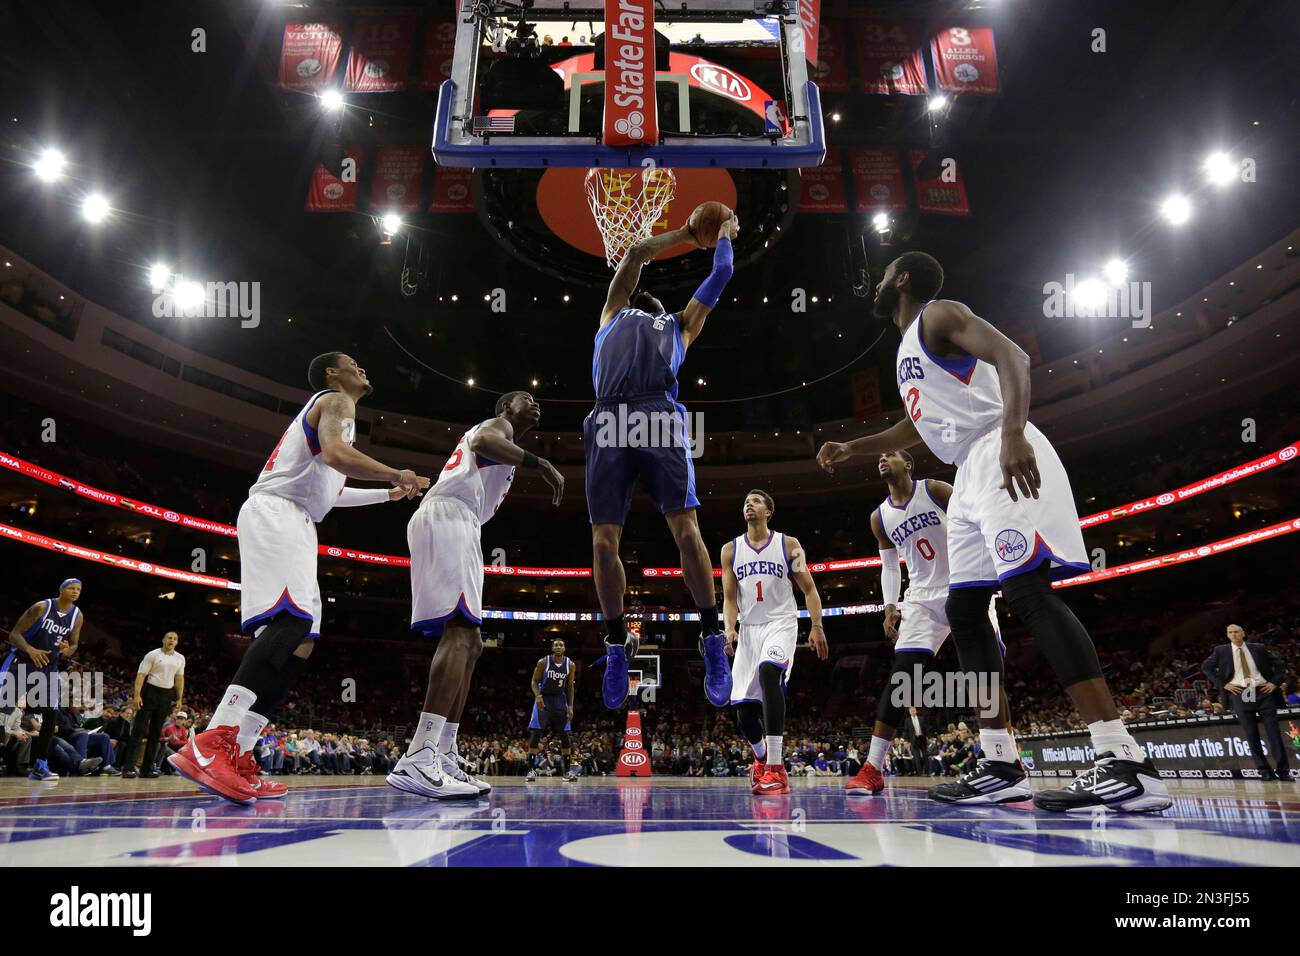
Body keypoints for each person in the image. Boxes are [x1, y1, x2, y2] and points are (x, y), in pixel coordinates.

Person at [817, 251, 1170, 813]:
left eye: (885, 275)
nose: (878, 283)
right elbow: (918, 426)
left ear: (902, 280)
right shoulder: (909, 348)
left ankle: (1123, 757)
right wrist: (855, 447)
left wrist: (1012, 432)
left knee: (1028, 594)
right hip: (967, 471)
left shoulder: (938, 314)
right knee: (965, 611)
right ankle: (1002, 763)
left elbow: (1013, 355)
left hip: (997, 450)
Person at [169, 352, 429, 804]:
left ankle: (240, 754)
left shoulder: (337, 415)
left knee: (303, 640)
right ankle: (213, 740)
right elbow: (337, 455)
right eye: (354, 362)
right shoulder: (336, 401)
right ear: (332, 373)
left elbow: (334, 491)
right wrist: (397, 471)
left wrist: (388, 493)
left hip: (301, 519)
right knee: (288, 623)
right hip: (277, 513)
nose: (363, 367)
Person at [586, 209, 740, 711]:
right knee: (604, 542)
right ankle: (614, 642)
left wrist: (723, 236)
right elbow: (632, 253)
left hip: (657, 415)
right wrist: (688, 236)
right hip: (609, 416)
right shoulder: (611, 313)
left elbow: (722, 274)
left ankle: (712, 637)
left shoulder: (680, 325)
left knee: (688, 532)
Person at [390, 390, 564, 800]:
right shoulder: (498, 428)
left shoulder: (507, 442)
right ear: (506, 408)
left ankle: (444, 753)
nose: (535, 402)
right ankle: (420, 753)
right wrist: (543, 465)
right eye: (526, 398)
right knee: (460, 634)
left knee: (470, 643)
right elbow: (483, 442)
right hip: (450, 515)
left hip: (459, 522)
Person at [844, 451, 1010, 798]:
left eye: (891, 454)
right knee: (904, 675)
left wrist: (993, 570)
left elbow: (978, 521)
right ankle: (873, 767)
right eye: (879, 456)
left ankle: (1004, 757)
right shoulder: (880, 517)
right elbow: (890, 566)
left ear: (909, 464)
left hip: (964, 583)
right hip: (920, 595)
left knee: (984, 674)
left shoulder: (935, 490)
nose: (882, 458)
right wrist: (890, 605)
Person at [722, 489, 828, 796]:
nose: (748, 505)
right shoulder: (730, 550)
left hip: (781, 623)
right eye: (745, 502)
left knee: (770, 672)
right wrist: (729, 628)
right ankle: (761, 757)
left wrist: (817, 626)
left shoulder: (789, 544)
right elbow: (730, 599)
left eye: (755, 501)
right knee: (743, 713)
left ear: (769, 511)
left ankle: (777, 768)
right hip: (750, 629)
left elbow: (808, 589)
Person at [3, 579, 84, 781]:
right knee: (3, 709)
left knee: (51, 714)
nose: (75, 592)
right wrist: (30, 649)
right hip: (21, 662)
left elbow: (74, 645)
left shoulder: (77, 615)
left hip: (48, 667)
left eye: (78, 590)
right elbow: (14, 635)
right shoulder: (42, 607)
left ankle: (40, 766)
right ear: (61, 589)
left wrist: (68, 650)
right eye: (71, 588)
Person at [1201, 624, 1291, 782]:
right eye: (1230, 632)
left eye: (1236, 632)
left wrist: (1274, 683)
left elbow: (1280, 665)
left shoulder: (1258, 648)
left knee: (1274, 733)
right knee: (1251, 734)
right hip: (1240, 693)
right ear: (1227, 635)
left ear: (1243, 633)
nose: (1234, 635)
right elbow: (1206, 667)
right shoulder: (1221, 651)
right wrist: (1223, 684)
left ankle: (1283, 772)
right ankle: (1264, 771)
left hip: (1263, 692)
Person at [122, 631, 185, 779]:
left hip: (166, 695)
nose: (172, 640)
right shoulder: (153, 654)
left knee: (156, 733)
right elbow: (141, 675)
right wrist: (137, 695)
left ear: (177, 642)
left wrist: (179, 699)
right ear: (163, 640)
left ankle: (147, 769)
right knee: (139, 730)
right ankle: (128, 767)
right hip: (150, 692)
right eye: (169, 638)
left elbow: (180, 679)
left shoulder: (180, 658)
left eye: (175, 639)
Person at [525, 638, 579, 782]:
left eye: (561, 645)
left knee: (565, 735)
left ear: (565, 648)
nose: (558, 647)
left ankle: (567, 772)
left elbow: (570, 687)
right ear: (552, 648)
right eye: (556, 645)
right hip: (544, 698)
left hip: (560, 700)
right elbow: (534, 681)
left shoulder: (570, 665)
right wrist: (538, 696)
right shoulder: (543, 662)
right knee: (536, 732)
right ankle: (530, 771)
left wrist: (570, 706)